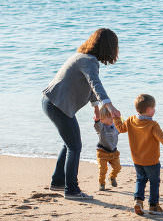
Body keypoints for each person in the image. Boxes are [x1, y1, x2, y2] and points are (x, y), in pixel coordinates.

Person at [42, 28, 121, 200]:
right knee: (74, 146)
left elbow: (89, 85)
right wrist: (109, 105)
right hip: (56, 105)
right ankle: (71, 190)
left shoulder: (83, 57)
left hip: (53, 103)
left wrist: (95, 107)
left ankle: (58, 182)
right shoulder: (89, 61)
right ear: (108, 47)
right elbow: (95, 83)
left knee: (69, 143)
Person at [114, 94, 163, 215]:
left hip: (137, 160)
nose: (155, 110)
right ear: (149, 110)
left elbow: (120, 128)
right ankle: (153, 205)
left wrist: (116, 118)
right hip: (151, 161)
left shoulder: (130, 120)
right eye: (153, 108)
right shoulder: (152, 125)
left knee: (140, 180)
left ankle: (138, 201)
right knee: (154, 182)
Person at [94, 105, 121, 191]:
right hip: (102, 152)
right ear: (102, 119)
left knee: (118, 167)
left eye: (111, 117)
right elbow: (97, 125)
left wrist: (119, 117)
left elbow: (122, 127)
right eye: (108, 117)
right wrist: (97, 119)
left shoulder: (115, 126)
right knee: (103, 169)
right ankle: (101, 183)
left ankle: (112, 177)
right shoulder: (101, 127)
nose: (111, 119)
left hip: (113, 152)